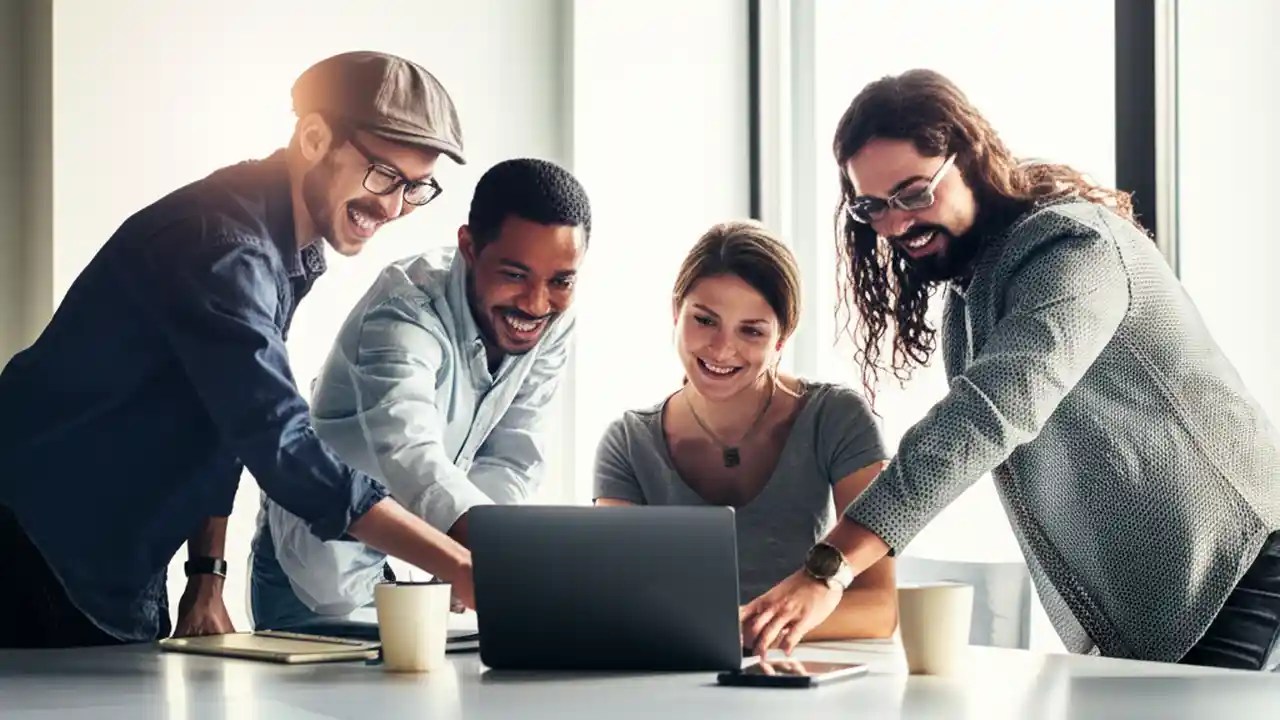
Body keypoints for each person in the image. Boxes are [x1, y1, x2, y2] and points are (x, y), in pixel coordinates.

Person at [741, 69, 1280, 671]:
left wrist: (830, 569)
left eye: (915, 194)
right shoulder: (969, 304)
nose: (895, 225)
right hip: (1148, 617)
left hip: (1239, 569)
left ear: (969, 159)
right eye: (873, 207)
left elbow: (987, 416)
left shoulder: (1074, 247)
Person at [0, 51, 481, 648]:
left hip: (114, 564)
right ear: (313, 136)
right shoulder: (226, 248)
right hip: (31, 542)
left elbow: (224, 421)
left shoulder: (288, 245)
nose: (390, 207)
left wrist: (205, 578)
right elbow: (279, 442)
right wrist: (460, 565)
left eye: (414, 188)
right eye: (382, 174)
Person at [250, 159, 591, 631]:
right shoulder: (402, 313)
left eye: (561, 281)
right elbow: (411, 455)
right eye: (514, 274)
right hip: (315, 577)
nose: (536, 303)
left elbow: (513, 458)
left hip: (427, 579)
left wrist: (473, 560)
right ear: (469, 248)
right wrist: (496, 560)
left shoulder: (553, 320)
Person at [594, 220, 896, 642]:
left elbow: (878, 608)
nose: (721, 349)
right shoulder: (628, 442)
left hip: (796, 673)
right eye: (705, 320)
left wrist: (739, 629)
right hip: (674, 674)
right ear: (675, 313)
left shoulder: (836, 417)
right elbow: (617, 597)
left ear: (780, 339)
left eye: (751, 330)